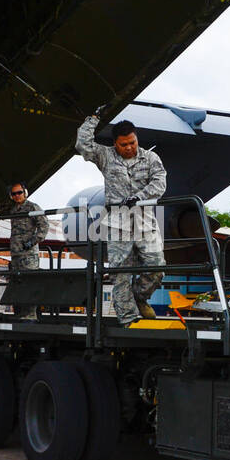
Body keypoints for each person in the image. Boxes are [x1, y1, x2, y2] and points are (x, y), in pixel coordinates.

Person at [75, 116, 167, 326]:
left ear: (137, 139)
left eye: (132, 142)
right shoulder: (105, 156)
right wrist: (93, 119)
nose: (129, 147)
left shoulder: (150, 158)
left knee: (157, 267)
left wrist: (140, 197)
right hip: (118, 224)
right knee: (119, 274)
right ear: (115, 143)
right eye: (123, 144)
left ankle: (139, 297)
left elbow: (160, 183)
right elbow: (83, 144)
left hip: (145, 222)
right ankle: (129, 318)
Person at [1, 181, 48, 320]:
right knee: (19, 283)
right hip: (16, 254)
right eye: (14, 194)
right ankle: (21, 313)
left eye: (19, 193)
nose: (17, 196)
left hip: (29, 254)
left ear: (25, 193)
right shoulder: (13, 210)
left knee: (30, 283)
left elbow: (44, 226)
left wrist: (31, 242)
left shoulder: (32, 207)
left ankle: (31, 314)